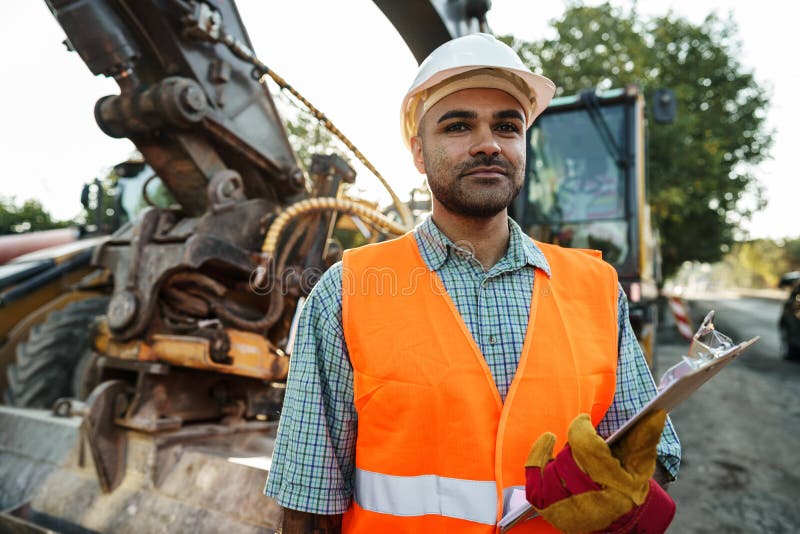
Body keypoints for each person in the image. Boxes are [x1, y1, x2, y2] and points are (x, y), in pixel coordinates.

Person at [264, 33, 681, 533]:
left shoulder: (595, 288)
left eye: (507, 126)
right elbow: (308, 506)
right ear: (419, 153)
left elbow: (650, 458)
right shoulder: (346, 293)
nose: (488, 143)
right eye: (459, 125)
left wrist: (622, 490)